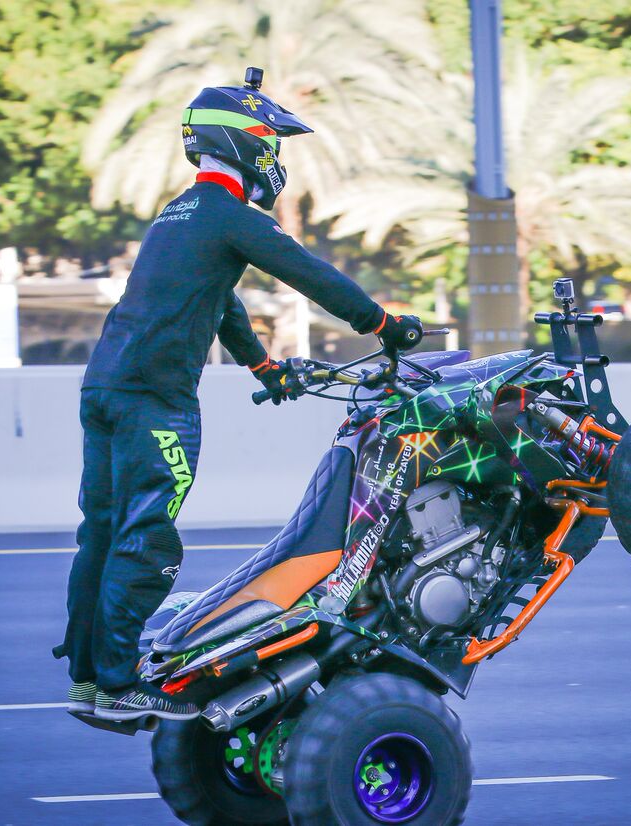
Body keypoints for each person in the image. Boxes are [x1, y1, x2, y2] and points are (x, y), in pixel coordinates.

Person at [54, 68, 422, 722]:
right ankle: (117, 684)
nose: (275, 157)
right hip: (155, 400)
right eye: (271, 142)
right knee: (146, 540)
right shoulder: (230, 216)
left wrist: (262, 366)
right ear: (245, 141)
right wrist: (384, 324)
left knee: (102, 534)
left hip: (107, 388)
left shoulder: (180, 214)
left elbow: (219, 300)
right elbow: (308, 273)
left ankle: (88, 677)